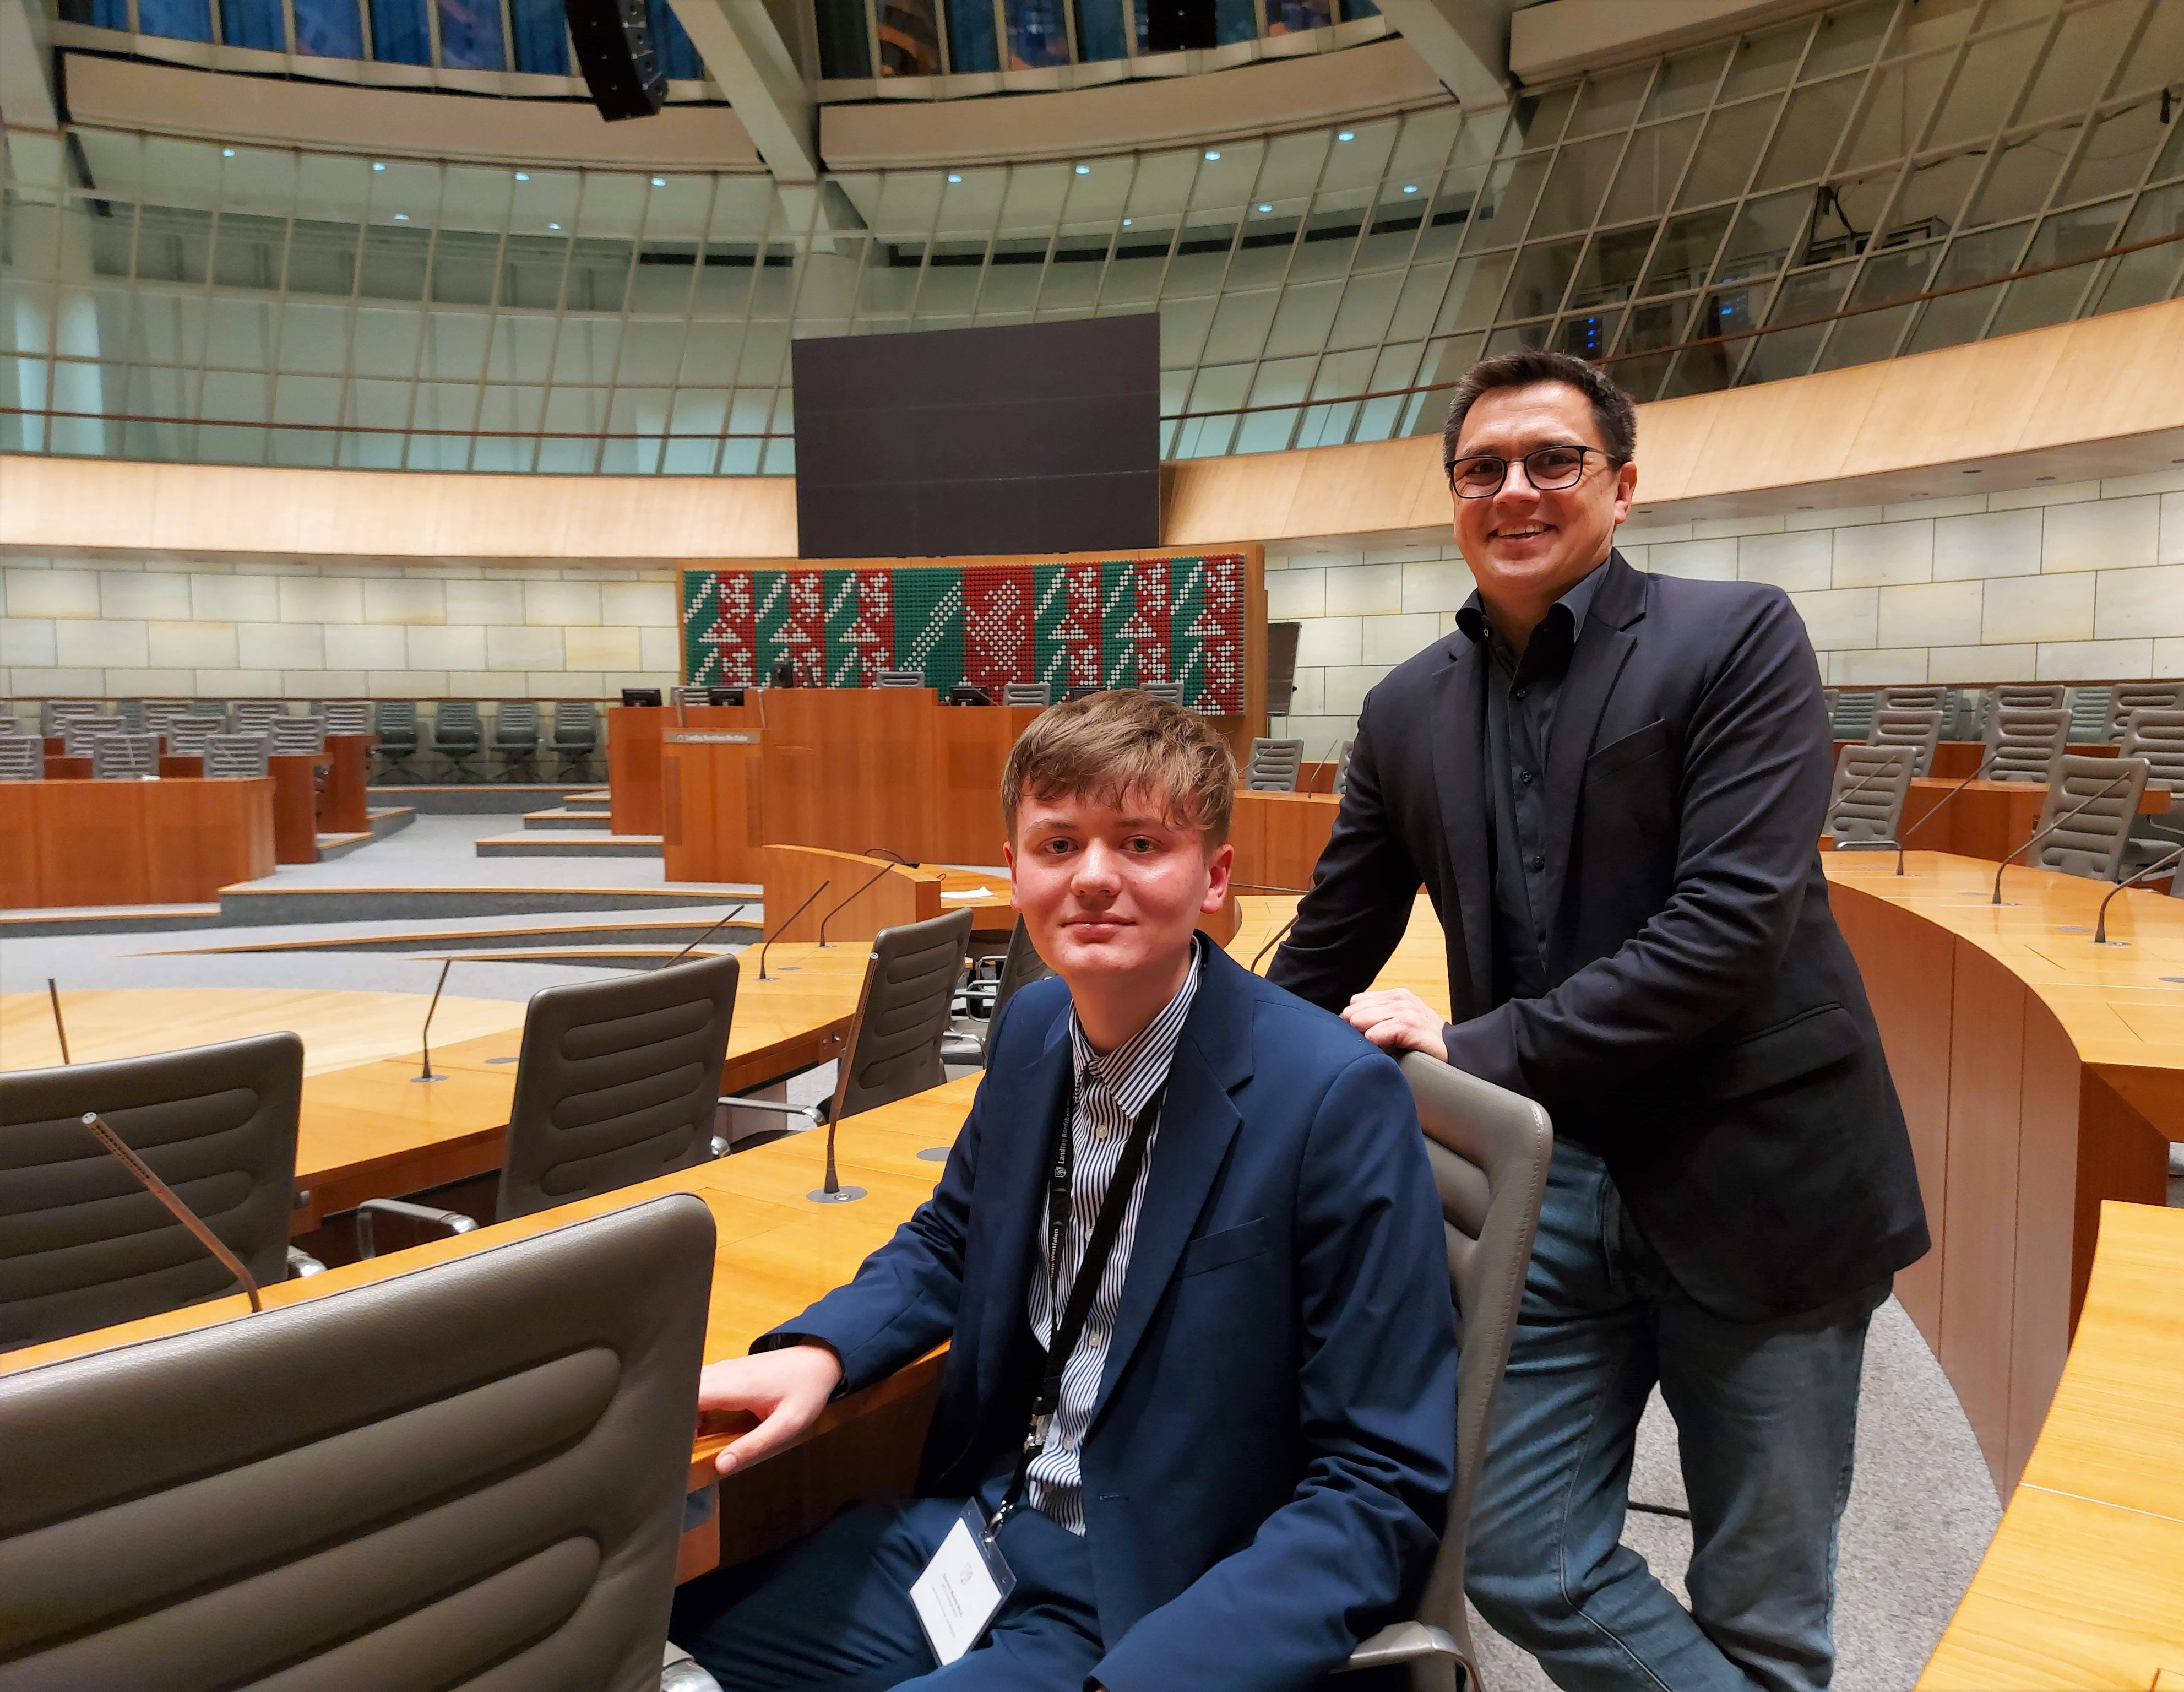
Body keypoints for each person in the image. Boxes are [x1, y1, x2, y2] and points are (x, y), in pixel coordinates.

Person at [1266, 349, 1930, 1692]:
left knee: (1762, 1602)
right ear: (1450, 499)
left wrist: (1473, 1048)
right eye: (1479, 468)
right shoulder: (1403, 710)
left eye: (1549, 461)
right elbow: (1321, 946)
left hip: (1761, 1176)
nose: (1512, 488)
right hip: (1553, 1192)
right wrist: (1155, 1065)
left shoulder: (1737, 637)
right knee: (1514, 1552)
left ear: (1619, 486)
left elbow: (1727, 929)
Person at [672, 688, 1457, 1692]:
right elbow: (954, 1238)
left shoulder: (1330, 1099)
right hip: (987, 1528)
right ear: (1013, 870)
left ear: (1216, 879)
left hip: (1155, 1597)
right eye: (1057, 845)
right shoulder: (1036, 1030)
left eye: (1139, 844)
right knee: (642, 1633)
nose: (1093, 879)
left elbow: (1379, 1480)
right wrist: (825, 1349)